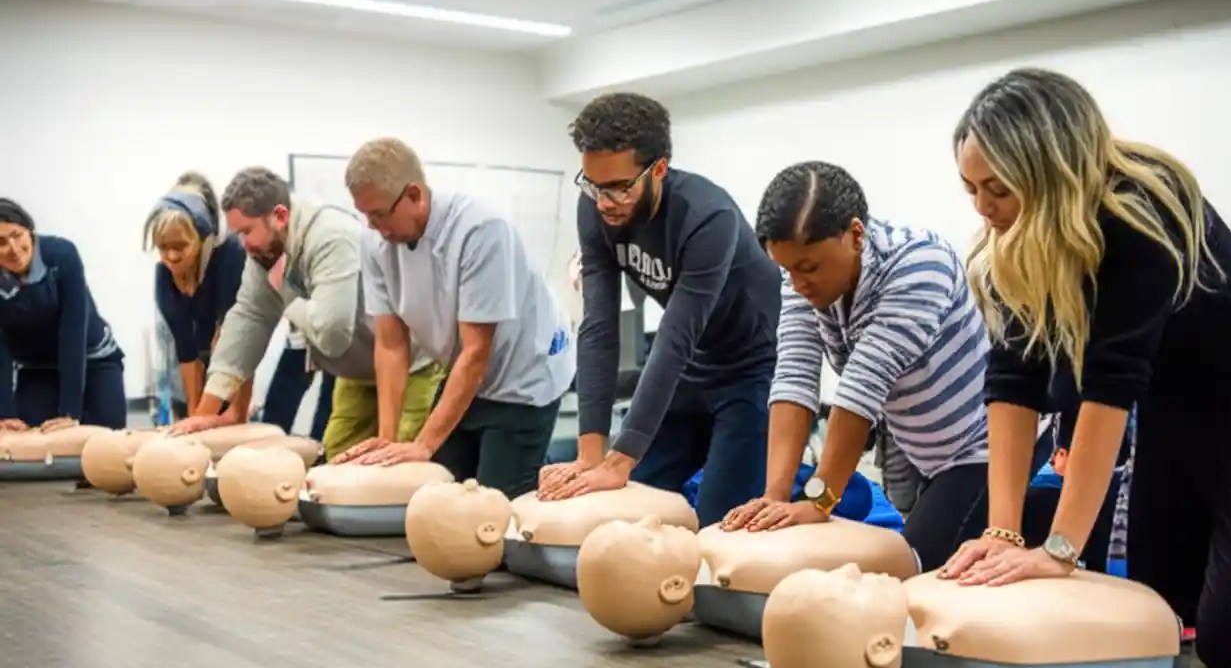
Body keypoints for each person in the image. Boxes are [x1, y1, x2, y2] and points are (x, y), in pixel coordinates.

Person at [940, 67, 1231, 668]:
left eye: (997, 189)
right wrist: (1004, 532)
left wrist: (1061, 550)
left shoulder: (1144, 208)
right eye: (971, 189)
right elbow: (1012, 383)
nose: (983, 209)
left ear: (1048, 173)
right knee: (1157, 613)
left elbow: (1109, 384)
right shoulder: (1022, 239)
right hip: (1175, 408)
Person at [719, 161, 1117, 574]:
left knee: (917, 568)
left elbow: (861, 388)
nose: (798, 283)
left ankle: (1057, 517)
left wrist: (818, 500)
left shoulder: (919, 264)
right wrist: (777, 495)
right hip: (925, 449)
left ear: (855, 235)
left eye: (809, 268)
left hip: (984, 445)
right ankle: (1037, 517)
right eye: (787, 270)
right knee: (938, 552)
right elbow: (794, 374)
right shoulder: (801, 273)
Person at [538, 92, 781, 528]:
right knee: (626, 506)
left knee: (716, 524)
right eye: (594, 185)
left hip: (750, 371)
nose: (604, 201)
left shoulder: (707, 215)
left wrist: (621, 459)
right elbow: (599, 327)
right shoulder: (595, 208)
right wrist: (592, 455)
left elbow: (675, 337)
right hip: (690, 374)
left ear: (660, 170)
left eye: (619, 187)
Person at [336, 137, 574, 500]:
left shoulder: (480, 230)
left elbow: (477, 351)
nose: (372, 226)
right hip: (465, 372)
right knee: (439, 488)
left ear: (414, 194)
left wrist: (423, 444)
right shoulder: (375, 241)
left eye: (379, 214)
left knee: (493, 507)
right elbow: (390, 343)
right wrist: (388, 440)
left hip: (525, 375)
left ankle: (545, 473)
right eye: (365, 215)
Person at [169, 166, 438, 457]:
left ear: (280, 216)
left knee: (396, 464)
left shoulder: (331, 237)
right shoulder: (263, 253)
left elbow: (332, 335)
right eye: (238, 234)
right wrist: (204, 416)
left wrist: (286, 295)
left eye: (247, 232)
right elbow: (247, 322)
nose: (243, 245)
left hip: (411, 366)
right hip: (359, 373)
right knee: (337, 462)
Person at [0, 198, 126, 431]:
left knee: (107, 442)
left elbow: (73, 331)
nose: (13, 249)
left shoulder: (62, 255)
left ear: (29, 231)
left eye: (17, 235)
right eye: (1, 242)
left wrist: (70, 411)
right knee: (30, 440)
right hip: (36, 368)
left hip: (94, 359)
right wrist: (4, 413)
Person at [146, 172, 248, 420]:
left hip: (231, 352)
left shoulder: (230, 256)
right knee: (190, 421)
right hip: (193, 357)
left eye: (179, 246)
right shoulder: (164, 275)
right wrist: (194, 414)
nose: (170, 257)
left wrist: (235, 412)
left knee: (226, 420)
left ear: (201, 238)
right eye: (163, 248)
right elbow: (185, 348)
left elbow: (234, 340)